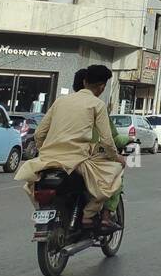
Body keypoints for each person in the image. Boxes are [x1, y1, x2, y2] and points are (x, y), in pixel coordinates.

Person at [15, 64, 125, 231]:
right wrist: (116, 157)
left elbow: (39, 133)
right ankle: (88, 215)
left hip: (47, 160)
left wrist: (44, 151)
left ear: (84, 81)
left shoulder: (60, 101)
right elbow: (107, 140)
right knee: (113, 175)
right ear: (102, 87)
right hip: (77, 161)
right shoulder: (97, 105)